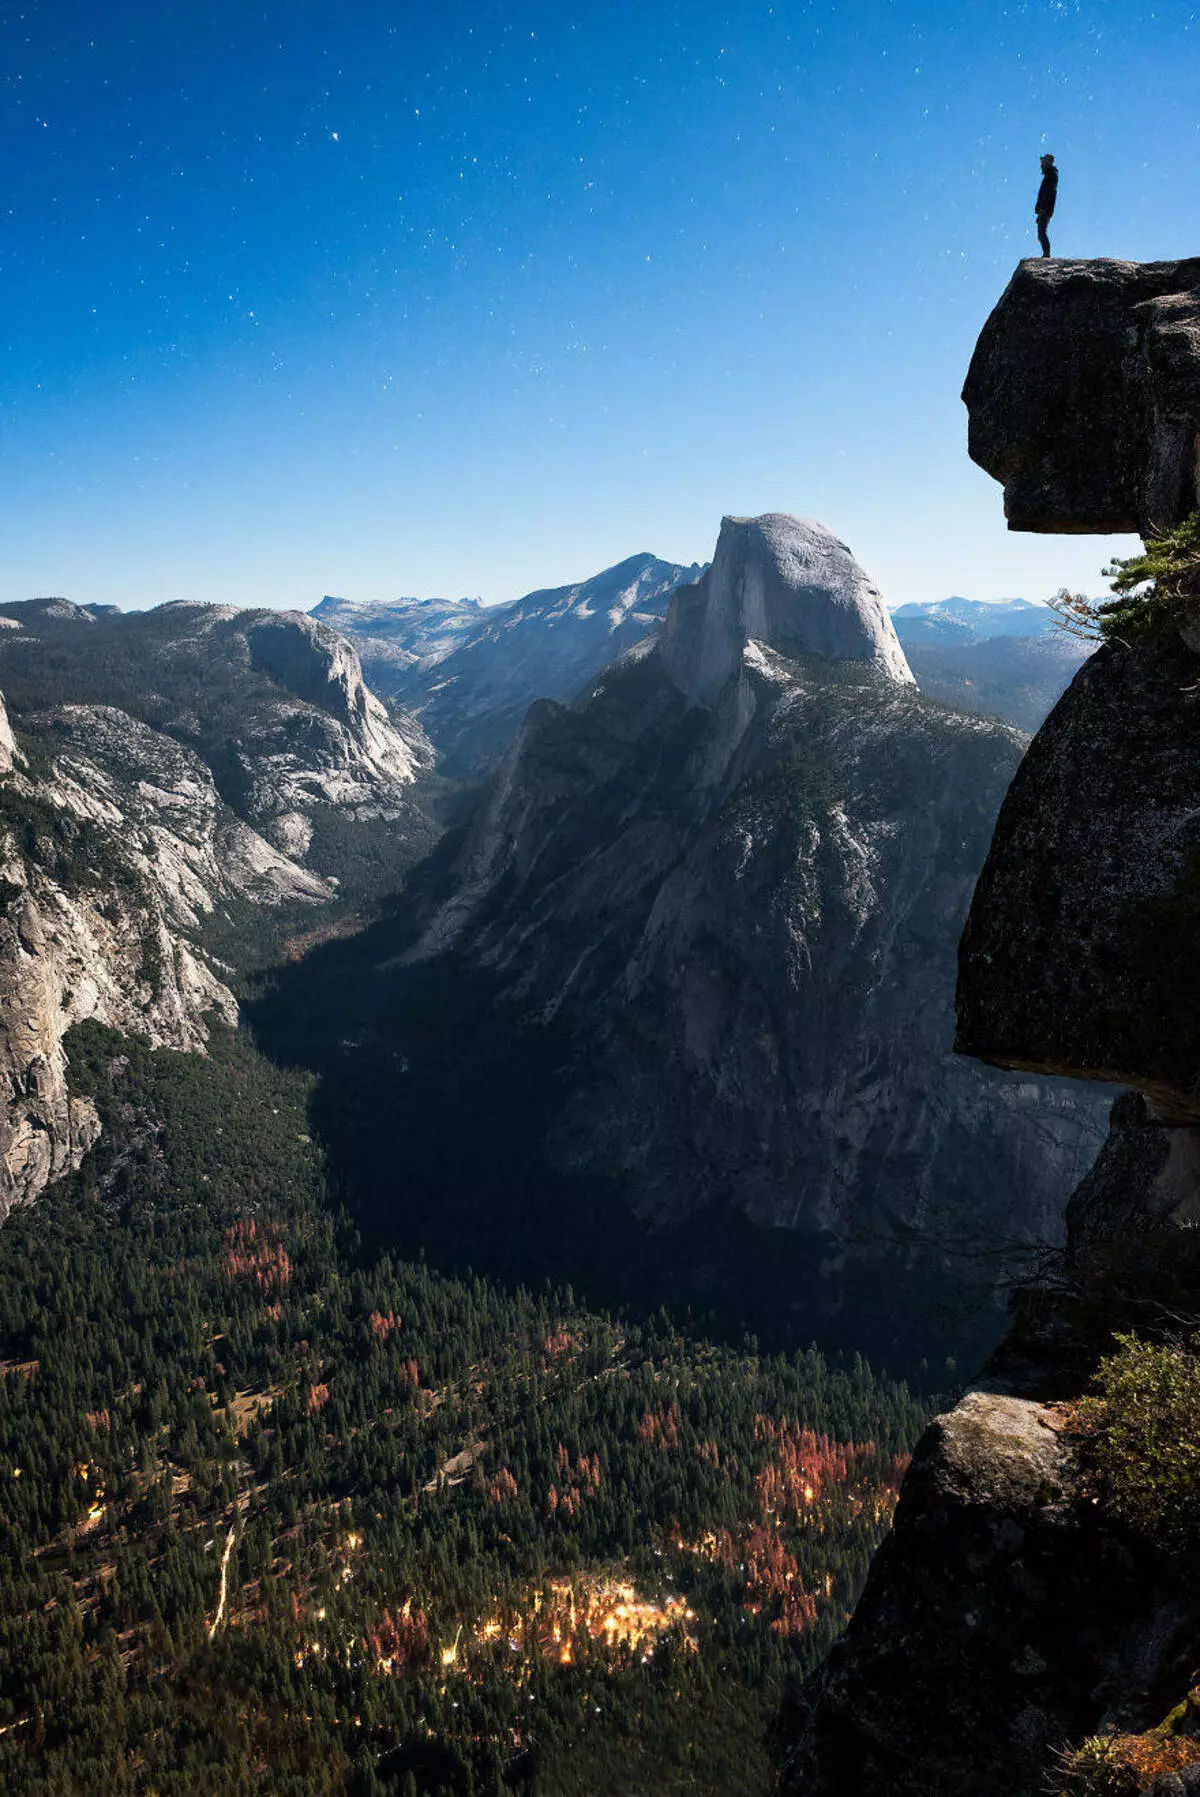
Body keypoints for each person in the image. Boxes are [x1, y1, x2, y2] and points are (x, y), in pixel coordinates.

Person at [1035, 153, 1058, 257]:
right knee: (1041, 232)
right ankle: (1046, 253)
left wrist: (1043, 209)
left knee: (1041, 232)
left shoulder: (1051, 176)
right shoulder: (1050, 175)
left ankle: (1046, 254)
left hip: (1045, 209)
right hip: (1045, 209)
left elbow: (1048, 194)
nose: (1041, 165)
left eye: (1043, 162)